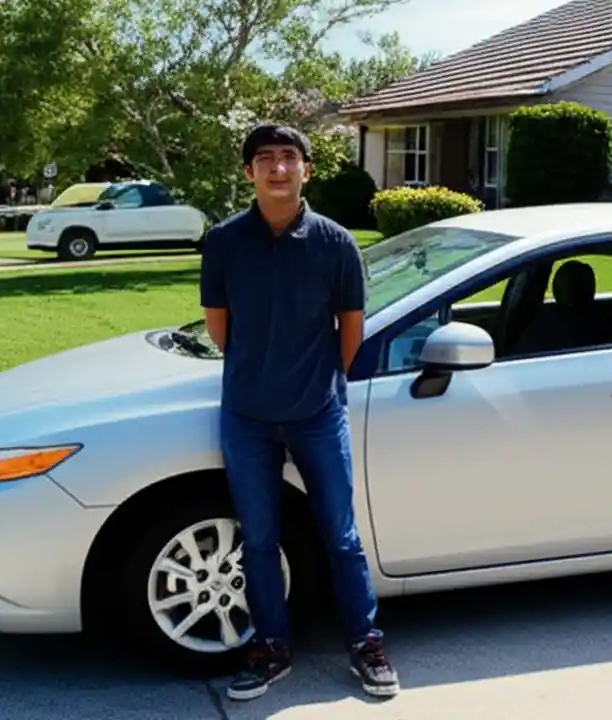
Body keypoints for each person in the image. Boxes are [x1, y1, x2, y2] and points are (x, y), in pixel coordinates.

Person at [199, 123, 398, 702]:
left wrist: (316, 380)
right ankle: (271, 647)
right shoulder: (225, 241)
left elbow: (351, 331)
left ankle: (365, 642)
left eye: (289, 158)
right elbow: (219, 329)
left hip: (318, 413)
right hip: (247, 416)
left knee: (340, 534)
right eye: (266, 159)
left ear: (306, 170)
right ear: (249, 172)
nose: (278, 168)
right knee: (259, 537)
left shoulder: (336, 242)